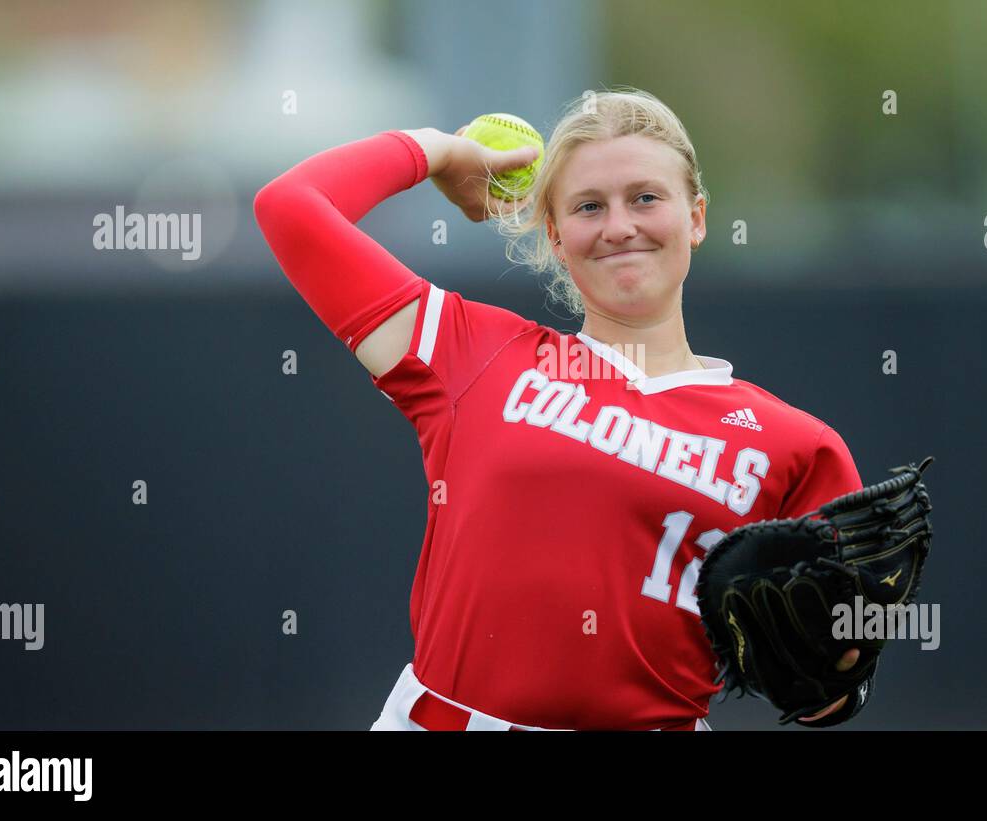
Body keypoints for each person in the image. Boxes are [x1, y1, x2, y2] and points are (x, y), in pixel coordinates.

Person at [254, 87, 869, 731]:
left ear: (697, 217)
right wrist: (438, 152)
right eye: (587, 206)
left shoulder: (793, 445)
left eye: (646, 198)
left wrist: (838, 675)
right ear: (555, 233)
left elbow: (836, 675)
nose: (619, 226)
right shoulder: (474, 357)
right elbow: (291, 206)